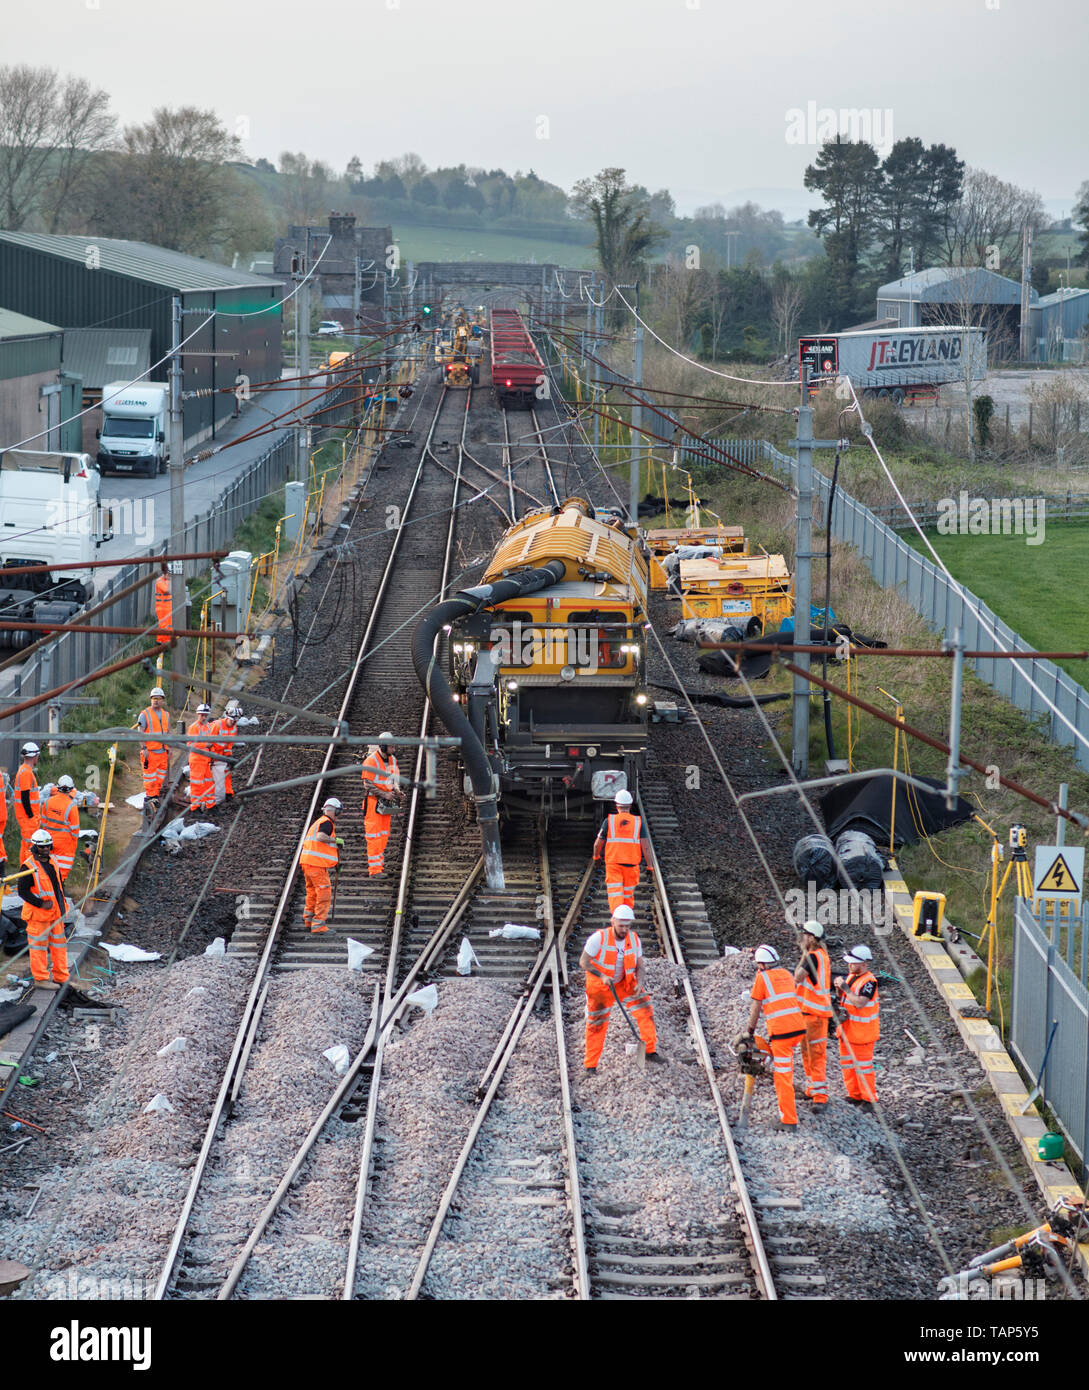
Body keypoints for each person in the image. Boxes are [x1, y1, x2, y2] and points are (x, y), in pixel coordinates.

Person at [578, 904, 663, 1070]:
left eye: (627, 926)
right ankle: (590, 1066)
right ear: (613, 922)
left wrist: (640, 983)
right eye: (621, 925)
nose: (624, 929)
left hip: (626, 983)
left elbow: (641, 966)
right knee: (597, 1025)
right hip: (602, 987)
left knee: (645, 1010)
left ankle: (650, 1051)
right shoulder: (598, 938)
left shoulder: (634, 939)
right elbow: (583, 962)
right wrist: (602, 975)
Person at [744, 943, 807, 1127]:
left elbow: (756, 1007)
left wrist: (750, 1031)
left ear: (762, 965)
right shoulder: (787, 974)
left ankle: (788, 1120)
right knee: (782, 1064)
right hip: (797, 1028)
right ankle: (772, 1063)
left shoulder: (763, 978)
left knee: (782, 1075)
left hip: (782, 1033)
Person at [18, 829, 69, 988]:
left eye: (48, 846)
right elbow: (22, 892)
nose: (45, 850)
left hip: (56, 914)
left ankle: (61, 977)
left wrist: (63, 907)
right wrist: (40, 903)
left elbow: (58, 886)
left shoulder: (53, 860)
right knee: (38, 948)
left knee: (59, 946)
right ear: (34, 847)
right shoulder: (28, 866)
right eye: (41, 847)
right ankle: (40, 979)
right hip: (38, 916)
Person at [592, 788, 653, 913]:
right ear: (630, 805)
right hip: (631, 867)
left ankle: (617, 921)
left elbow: (597, 844)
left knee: (615, 897)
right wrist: (650, 866)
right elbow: (646, 846)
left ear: (616, 805)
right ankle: (625, 921)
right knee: (627, 897)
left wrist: (596, 857)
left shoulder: (609, 821)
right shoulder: (638, 823)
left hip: (613, 866)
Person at [793, 919, 833, 1107]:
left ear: (811, 937)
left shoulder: (813, 956)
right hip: (811, 1014)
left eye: (804, 936)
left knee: (815, 1056)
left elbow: (797, 976)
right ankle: (812, 1089)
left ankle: (820, 1097)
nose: (802, 938)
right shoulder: (822, 956)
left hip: (814, 1014)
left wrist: (804, 953)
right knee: (808, 1054)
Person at [834, 945, 880, 1105]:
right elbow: (845, 999)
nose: (850, 965)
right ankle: (854, 1095)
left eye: (853, 963)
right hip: (847, 1031)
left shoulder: (869, 981)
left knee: (864, 1068)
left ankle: (869, 1100)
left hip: (862, 1034)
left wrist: (845, 988)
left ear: (864, 964)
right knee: (848, 1065)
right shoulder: (851, 977)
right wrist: (839, 990)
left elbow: (860, 1003)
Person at [360, 733, 404, 877]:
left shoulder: (393, 760)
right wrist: (384, 794)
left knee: (384, 835)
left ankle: (379, 867)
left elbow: (393, 779)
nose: (394, 749)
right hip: (374, 804)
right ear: (383, 746)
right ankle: (374, 870)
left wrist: (397, 791)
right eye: (391, 746)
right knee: (374, 837)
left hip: (384, 804)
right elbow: (367, 784)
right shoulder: (371, 761)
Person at [300, 798, 343, 934]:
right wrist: (335, 840)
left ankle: (309, 921)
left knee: (312, 892)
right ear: (335, 811)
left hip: (308, 863)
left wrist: (335, 863)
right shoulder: (326, 822)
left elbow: (322, 848)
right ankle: (318, 925)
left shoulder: (318, 822)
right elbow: (320, 837)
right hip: (316, 865)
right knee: (324, 893)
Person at [39, 776, 80, 882]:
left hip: (48, 842)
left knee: (48, 867)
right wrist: (73, 842)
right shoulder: (72, 806)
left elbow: (43, 823)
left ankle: (48, 889)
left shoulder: (47, 802)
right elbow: (75, 831)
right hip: (64, 844)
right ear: (71, 790)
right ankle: (60, 889)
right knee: (61, 872)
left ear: (57, 788)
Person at [137, 686, 171, 809]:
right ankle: (151, 797)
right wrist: (144, 748)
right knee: (150, 777)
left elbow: (167, 733)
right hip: (150, 752)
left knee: (160, 776)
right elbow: (140, 733)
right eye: (153, 698)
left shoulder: (166, 715)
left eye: (158, 698)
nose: (155, 700)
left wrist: (168, 748)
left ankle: (155, 795)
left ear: (163, 700)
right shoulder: (144, 714)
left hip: (162, 752)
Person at [13, 743, 42, 863]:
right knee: (30, 847)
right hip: (28, 818)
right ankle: (28, 872)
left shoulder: (25, 770)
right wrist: (30, 815)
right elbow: (25, 797)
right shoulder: (26, 772)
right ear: (35, 756)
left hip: (27, 817)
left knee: (27, 845)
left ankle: (25, 871)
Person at [210, 700, 242, 802]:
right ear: (227, 718)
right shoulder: (217, 725)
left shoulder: (234, 728)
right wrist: (211, 756)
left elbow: (229, 744)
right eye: (232, 720)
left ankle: (228, 793)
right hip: (213, 753)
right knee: (211, 777)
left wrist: (229, 756)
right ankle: (211, 797)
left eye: (236, 721)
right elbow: (209, 741)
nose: (233, 723)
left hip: (222, 754)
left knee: (227, 772)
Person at [186, 704, 215, 812]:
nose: (204, 717)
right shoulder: (194, 727)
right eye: (202, 715)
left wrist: (211, 755)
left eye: (206, 715)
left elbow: (211, 743)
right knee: (197, 785)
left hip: (206, 760)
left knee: (209, 783)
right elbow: (190, 745)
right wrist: (205, 745)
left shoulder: (208, 726)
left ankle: (210, 805)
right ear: (198, 714)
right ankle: (195, 808)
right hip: (197, 760)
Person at [154, 565, 173, 647]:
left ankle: (167, 640)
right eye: (169, 574)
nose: (170, 576)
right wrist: (171, 581)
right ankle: (160, 641)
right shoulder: (159, 581)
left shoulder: (166, 580)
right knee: (163, 625)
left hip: (167, 606)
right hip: (161, 607)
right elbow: (168, 591)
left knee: (169, 624)